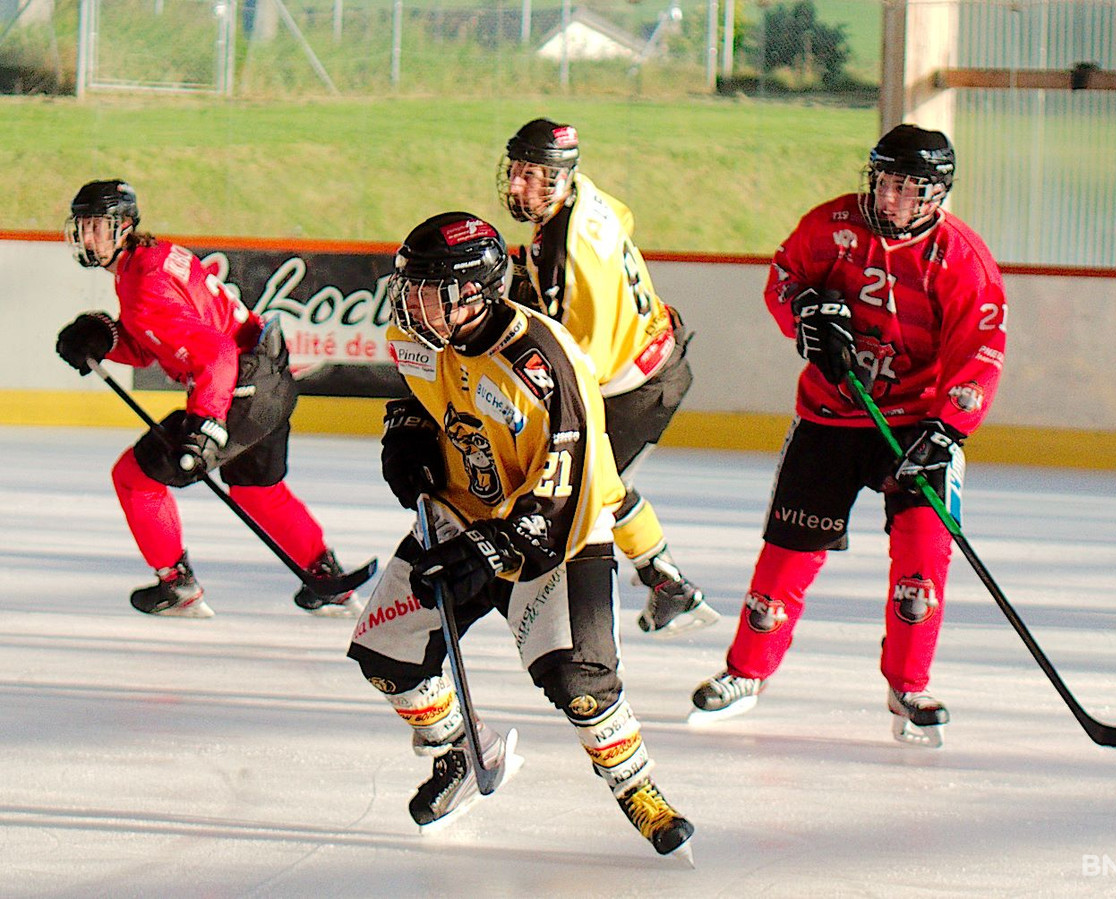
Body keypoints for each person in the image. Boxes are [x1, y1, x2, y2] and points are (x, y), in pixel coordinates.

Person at [346, 211, 694, 858]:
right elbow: (419, 395)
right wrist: (408, 434)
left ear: (475, 293)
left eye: (429, 291)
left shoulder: (542, 363)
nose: (411, 304)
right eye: (409, 288)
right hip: (464, 510)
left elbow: (564, 483)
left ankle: (637, 788)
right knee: (387, 654)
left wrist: (494, 549)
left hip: (556, 530)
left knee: (580, 682)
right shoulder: (419, 334)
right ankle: (460, 752)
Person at [688, 125, 1008, 746]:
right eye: (885, 182)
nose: (890, 198)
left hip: (915, 426)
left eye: (909, 189)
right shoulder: (831, 225)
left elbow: (981, 350)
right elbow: (783, 278)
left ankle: (908, 686)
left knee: (922, 564)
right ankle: (746, 671)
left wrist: (948, 428)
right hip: (828, 418)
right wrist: (806, 313)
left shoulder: (962, 259)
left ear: (937, 194)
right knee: (787, 552)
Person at [54, 179, 362, 620]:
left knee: (134, 478)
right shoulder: (153, 258)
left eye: (97, 226)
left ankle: (176, 585)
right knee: (258, 491)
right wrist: (107, 339)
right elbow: (158, 342)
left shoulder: (143, 282)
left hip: (239, 389)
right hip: (269, 380)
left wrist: (205, 425)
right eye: (82, 226)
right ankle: (327, 579)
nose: (87, 237)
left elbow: (216, 354)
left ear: (124, 227)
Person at [495, 118, 718, 639]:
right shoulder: (585, 195)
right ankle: (668, 585)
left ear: (558, 179)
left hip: (639, 385)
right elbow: (624, 219)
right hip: (652, 358)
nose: (517, 185)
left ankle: (656, 592)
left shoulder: (568, 258)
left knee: (587, 485)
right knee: (603, 480)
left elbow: (576, 363)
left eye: (531, 175)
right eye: (516, 171)